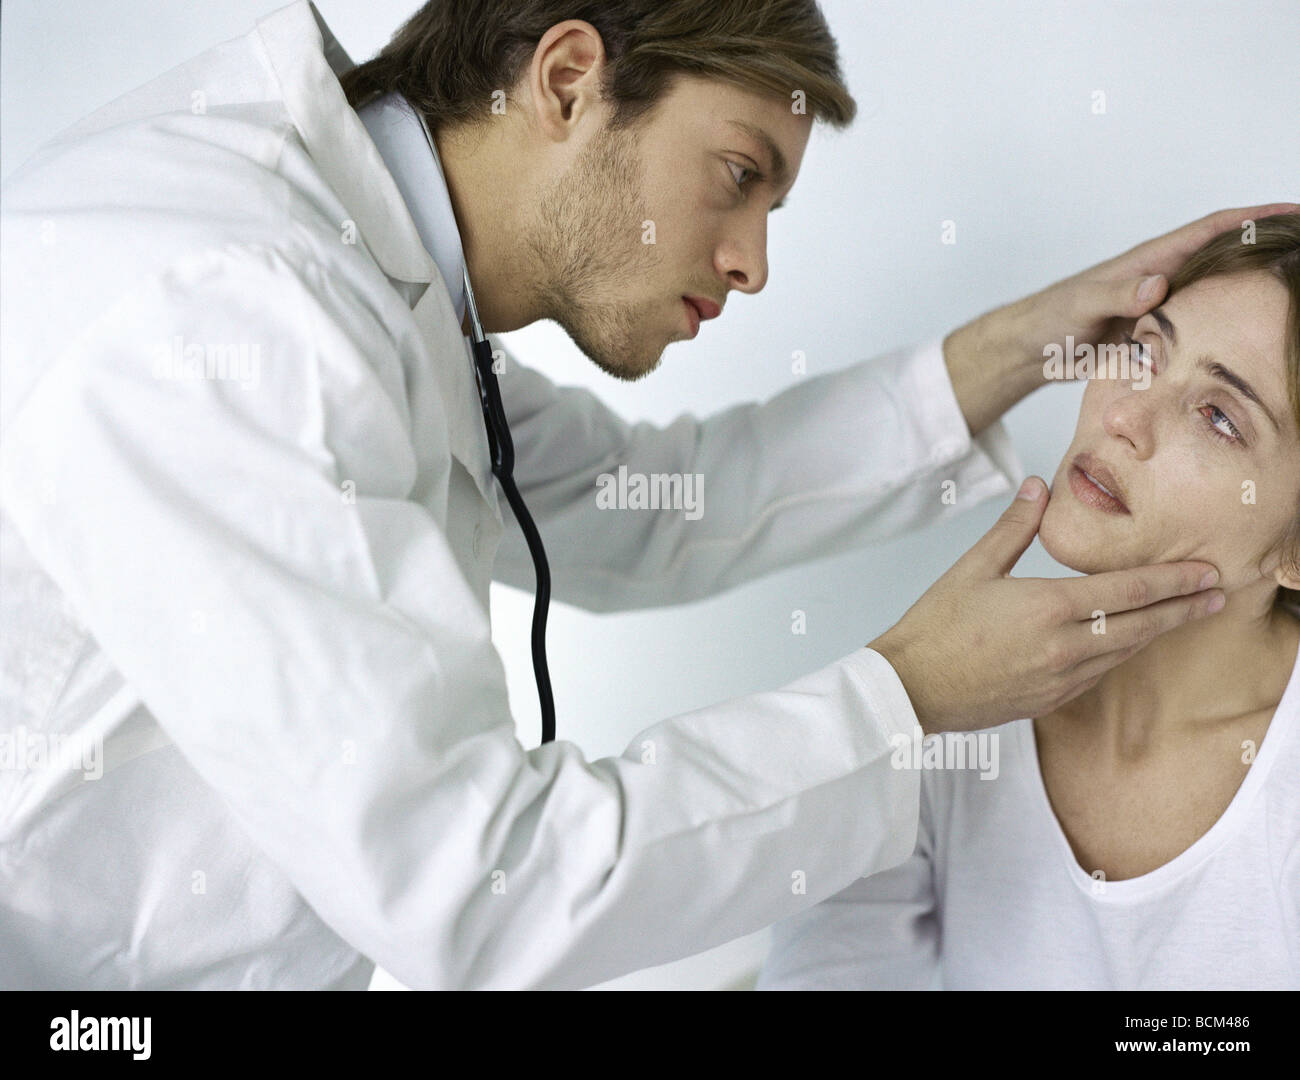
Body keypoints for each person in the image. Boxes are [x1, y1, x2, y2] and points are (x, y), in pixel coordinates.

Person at [0, 0, 1270, 990]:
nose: (754, 264)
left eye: (1217, 407)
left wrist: (1007, 350)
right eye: (736, 175)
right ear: (565, 81)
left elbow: (649, 503)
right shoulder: (233, 318)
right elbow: (476, 888)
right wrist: (908, 694)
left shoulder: (378, 292)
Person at [757, 215, 1300, 990]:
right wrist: (901, 711)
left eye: (1219, 417)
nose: (1123, 416)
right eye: (1143, 351)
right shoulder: (952, 705)